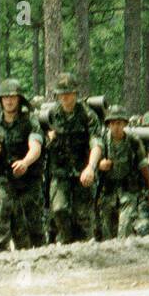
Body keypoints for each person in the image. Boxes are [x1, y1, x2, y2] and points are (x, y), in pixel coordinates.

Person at [0, 78, 44, 251]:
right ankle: (1, 250)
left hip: (29, 178)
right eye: (5, 97)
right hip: (4, 177)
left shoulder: (29, 120)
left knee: (33, 224)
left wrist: (25, 162)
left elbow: (36, 146)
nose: (8, 101)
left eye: (13, 97)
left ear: (19, 99)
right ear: (1, 100)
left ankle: (39, 254)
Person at [86, 105, 149, 239]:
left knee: (124, 230)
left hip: (128, 192)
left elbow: (144, 167)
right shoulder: (102, 141)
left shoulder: (133, 141)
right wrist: (99, 165)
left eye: (119, 123)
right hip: (107, 192)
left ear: (124, 124)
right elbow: (89, 162)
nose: (115, 127)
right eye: (112, 123)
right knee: (106, 234)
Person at [45, 73, 98, 244]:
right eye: (62, 93)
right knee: (59, 209)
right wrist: (48, 139)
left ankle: (83, 247)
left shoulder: (87, 115)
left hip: (82, 171)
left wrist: (91, 167)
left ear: (76, 94)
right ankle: (66, 242)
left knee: (83, 216)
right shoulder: (51, 115)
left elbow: (97, 143)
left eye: (69, 93)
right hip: (60, 172)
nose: (65, 97)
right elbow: (39, 140)